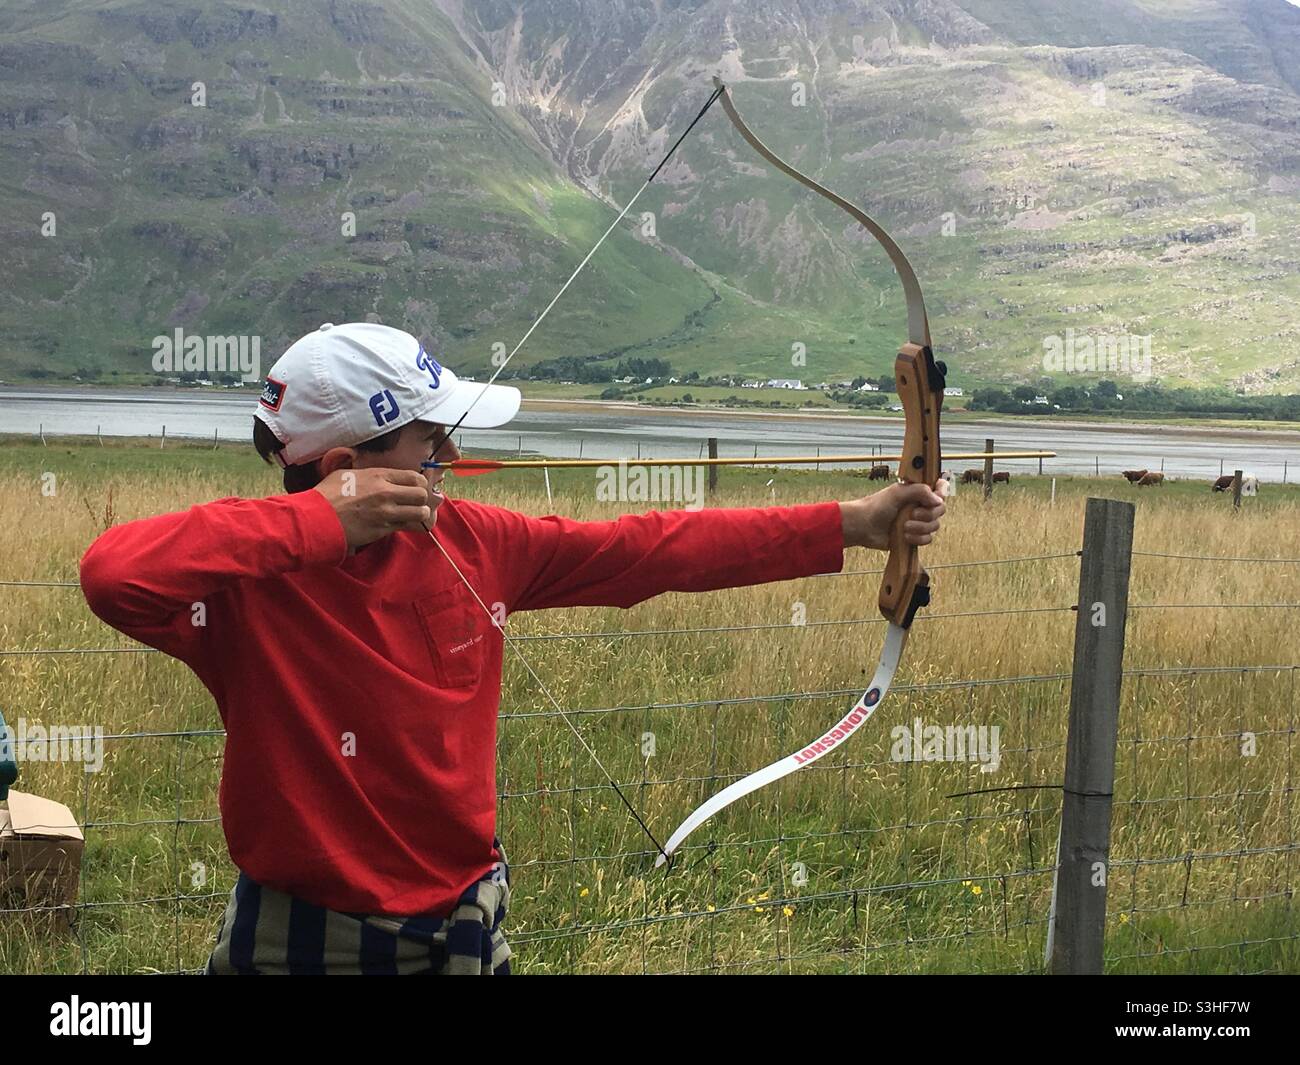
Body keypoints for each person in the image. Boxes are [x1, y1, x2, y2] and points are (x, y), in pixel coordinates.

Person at [79, 322, 946, 974]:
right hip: (301, 938)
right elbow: (111, 573)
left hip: (464, 924)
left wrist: (857, 523)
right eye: (430, 439)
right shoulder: (244, 583)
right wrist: (314, 520)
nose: (453, 455)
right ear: (348, 465)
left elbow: (652, 548)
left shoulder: (476, 541)